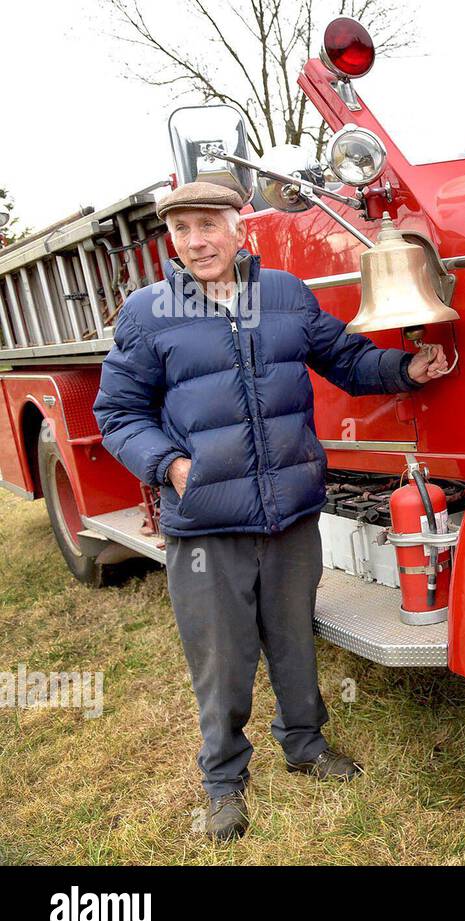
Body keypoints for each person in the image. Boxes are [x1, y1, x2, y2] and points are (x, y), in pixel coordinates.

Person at [92, 181, 446, 840]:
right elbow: (116, 412)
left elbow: (346, 359)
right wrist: (171, 466)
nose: (195, 241)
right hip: (207, 523)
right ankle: (224, 778)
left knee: (292, 641)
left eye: (208, 225)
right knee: (222, 659)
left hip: (290, 512)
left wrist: (407, 369)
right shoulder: (149, 312)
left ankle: (305, 745)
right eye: (182, 229)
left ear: (239, 228)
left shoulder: (284, 295)